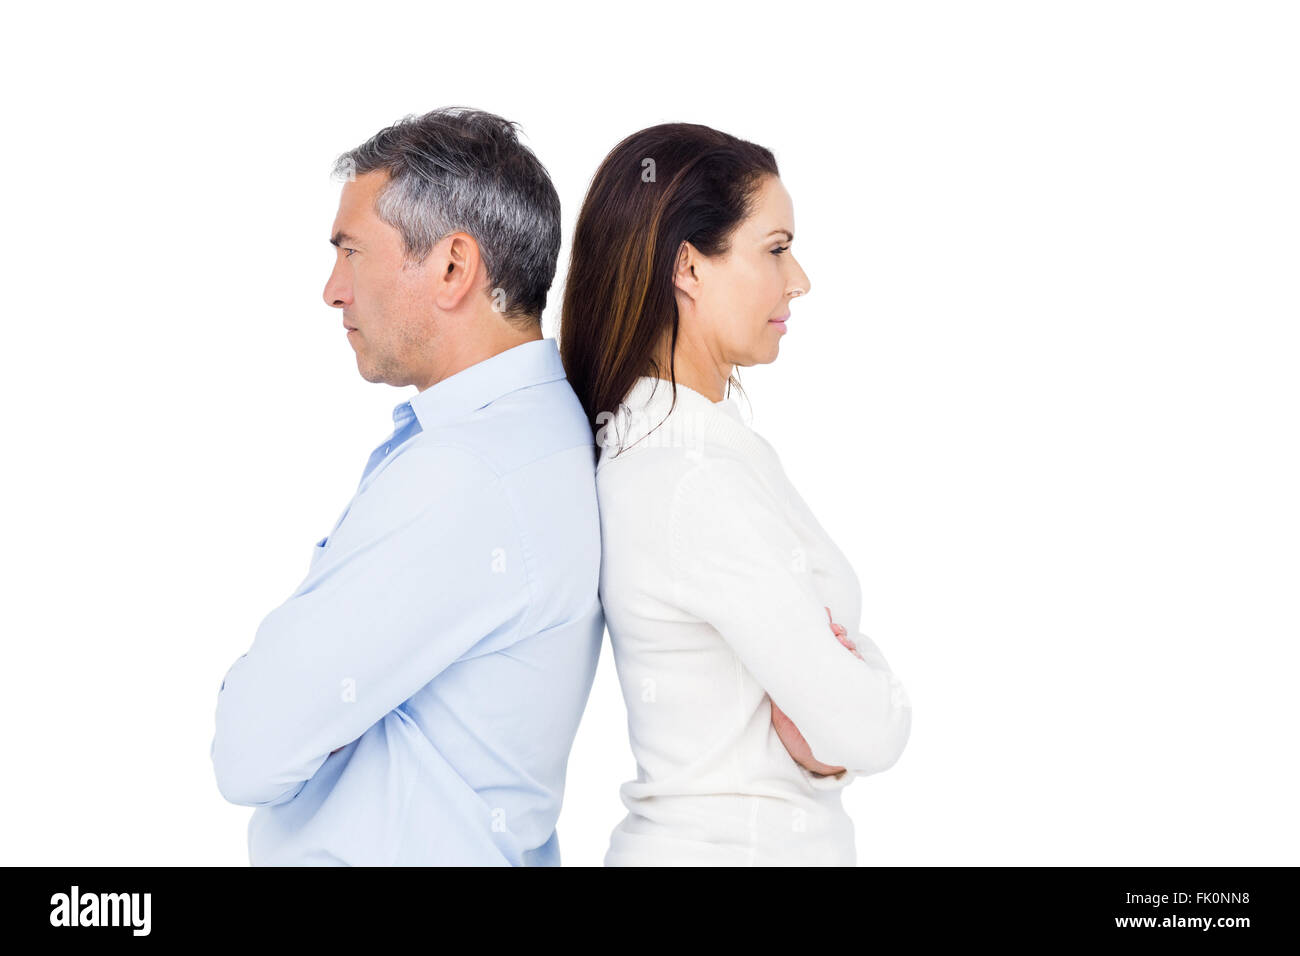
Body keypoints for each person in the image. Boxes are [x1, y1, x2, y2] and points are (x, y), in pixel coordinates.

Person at [210, 107, 603, 866]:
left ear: (454, 267)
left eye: (351, 251)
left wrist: (280, 698)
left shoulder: (469, 476)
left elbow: (249, 749)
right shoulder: (534, 436)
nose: (332, 289)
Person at [559, 122, 912, 866]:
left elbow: (833, 736)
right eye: (776, 249)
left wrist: (828, 738)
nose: (800, 280)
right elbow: (870, 731)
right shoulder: (690, 481)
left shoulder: (699, 451)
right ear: (688, 266)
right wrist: (857, 692)